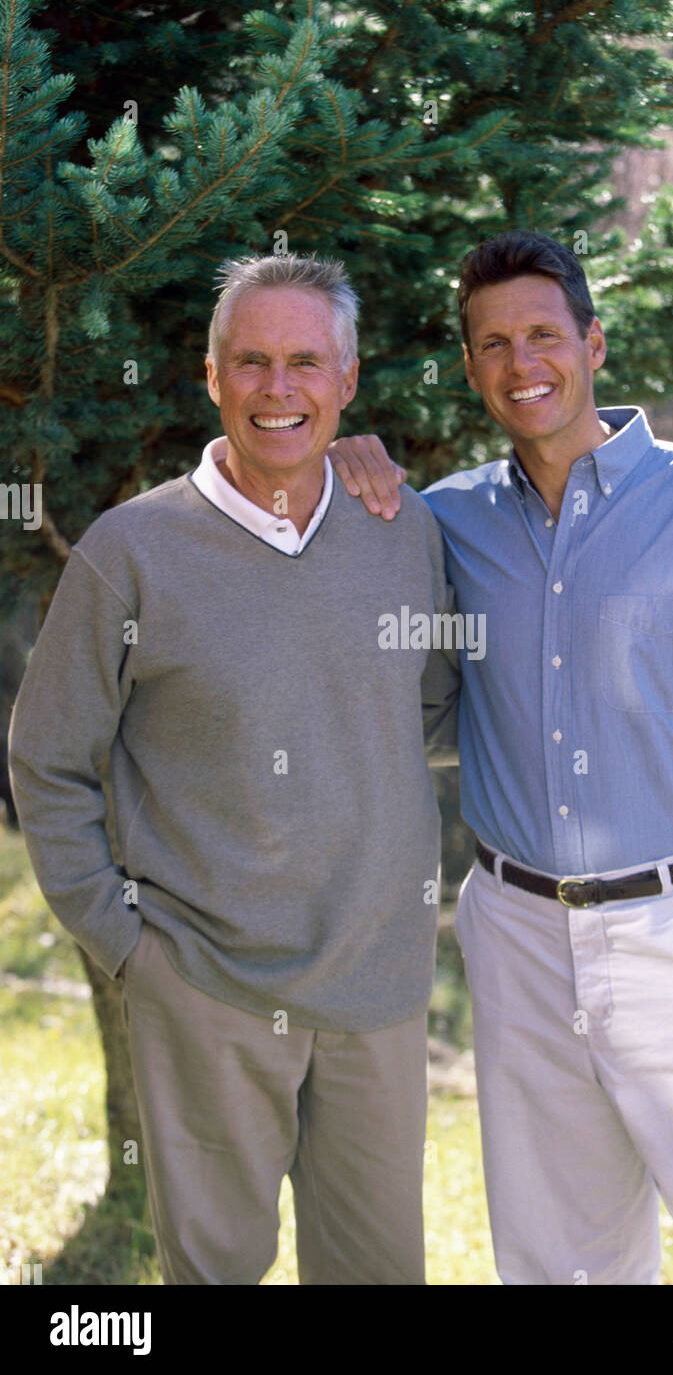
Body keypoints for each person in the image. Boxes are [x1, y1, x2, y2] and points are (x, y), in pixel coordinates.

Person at [329, 229, 673, 1286]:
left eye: (541, 334)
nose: (521, 363)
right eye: (491, 344)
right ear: (471, 366)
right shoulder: (448, 523)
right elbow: (410, 703)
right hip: (519, 936)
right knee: (561, 1264)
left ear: (594, 343)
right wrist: (345, 480)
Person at [9, 252, 459, 1286]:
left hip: (377, 984)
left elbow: (427, 704)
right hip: (203, 983)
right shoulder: (131, 552)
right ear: (212, 378)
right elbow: (48, 759)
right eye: (250, 361)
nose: (279, 387)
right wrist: (128, 946)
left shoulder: (405, 531)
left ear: (348, 383)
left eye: (307, 362)